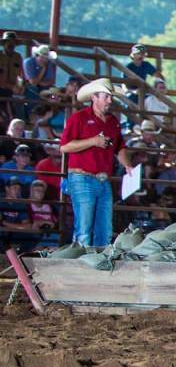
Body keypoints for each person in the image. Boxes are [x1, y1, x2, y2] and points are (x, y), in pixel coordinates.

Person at [59, 78, 132, 247]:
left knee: (104, 230)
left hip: (102, 179)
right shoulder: (79, 118)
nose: (110, 101)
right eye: (106, 97)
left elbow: (119, 148)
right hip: (82, 177)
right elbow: (64, 147)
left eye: (110, 97)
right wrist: (93, 141)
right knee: (85, 229)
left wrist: (127, 164)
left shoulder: (113, 122)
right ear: (94, 97)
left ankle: (94, 264)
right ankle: (81, 266)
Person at [0, 32, 23, 121]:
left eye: (13, 42)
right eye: (8, 42)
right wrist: (11, 86)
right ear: (4, 43)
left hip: (13, 89)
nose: (11, 44)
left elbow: (20, 75)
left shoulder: (18, 57)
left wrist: (20, 87)